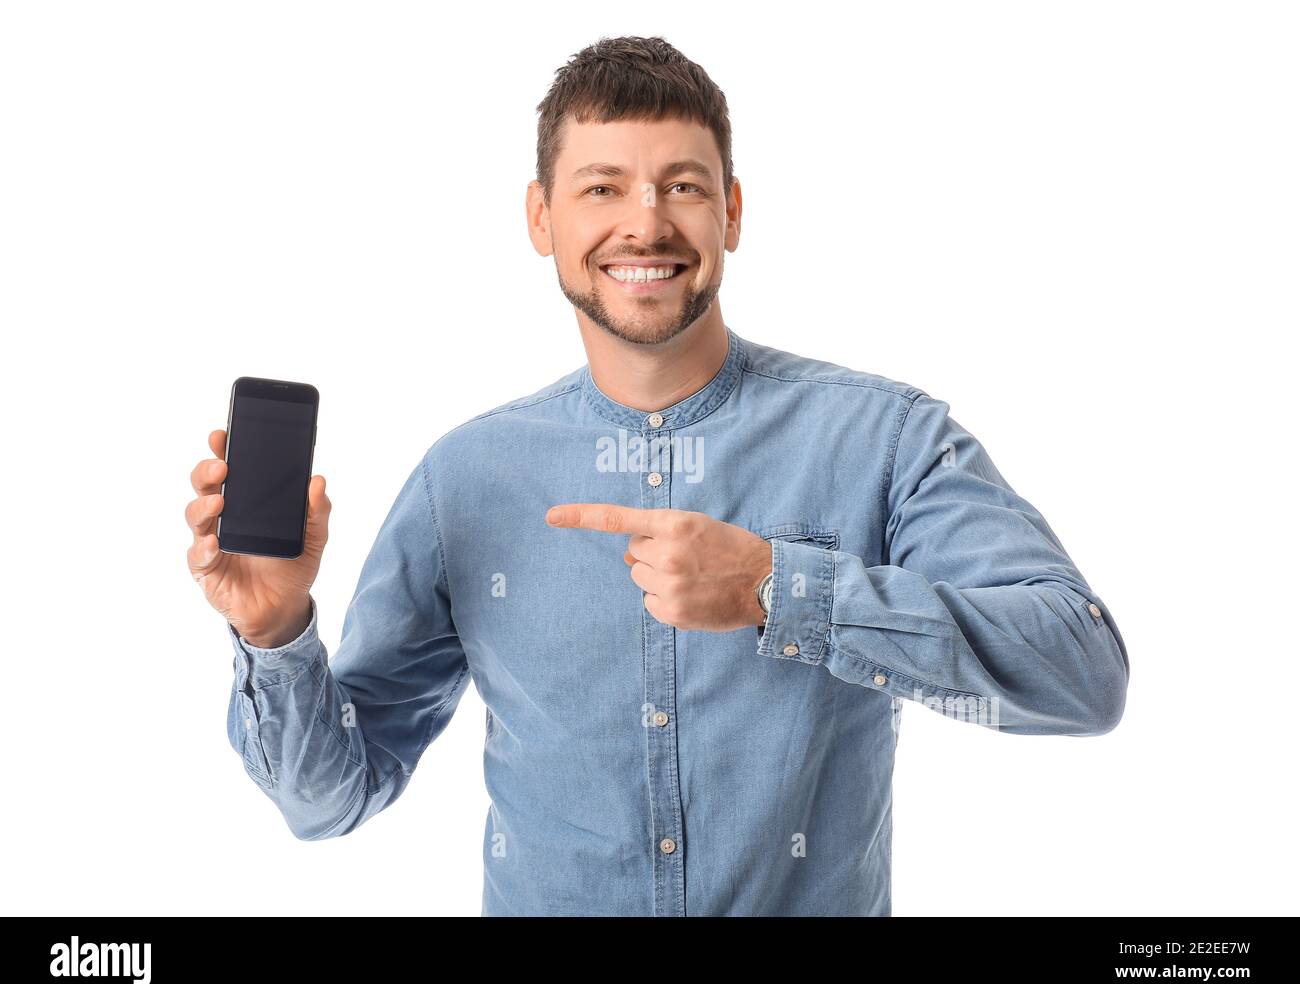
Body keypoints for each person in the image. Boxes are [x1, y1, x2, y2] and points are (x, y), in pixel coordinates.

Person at [186, 35, 1129, 916]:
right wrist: (274, 632)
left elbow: (1082, 679)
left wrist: (778, 588)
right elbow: (330, 801)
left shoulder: (884, 439)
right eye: (602, 188)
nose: (645, 223)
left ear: (732, 212)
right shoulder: (463, 479)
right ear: (540, 217)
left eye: (681, 185)